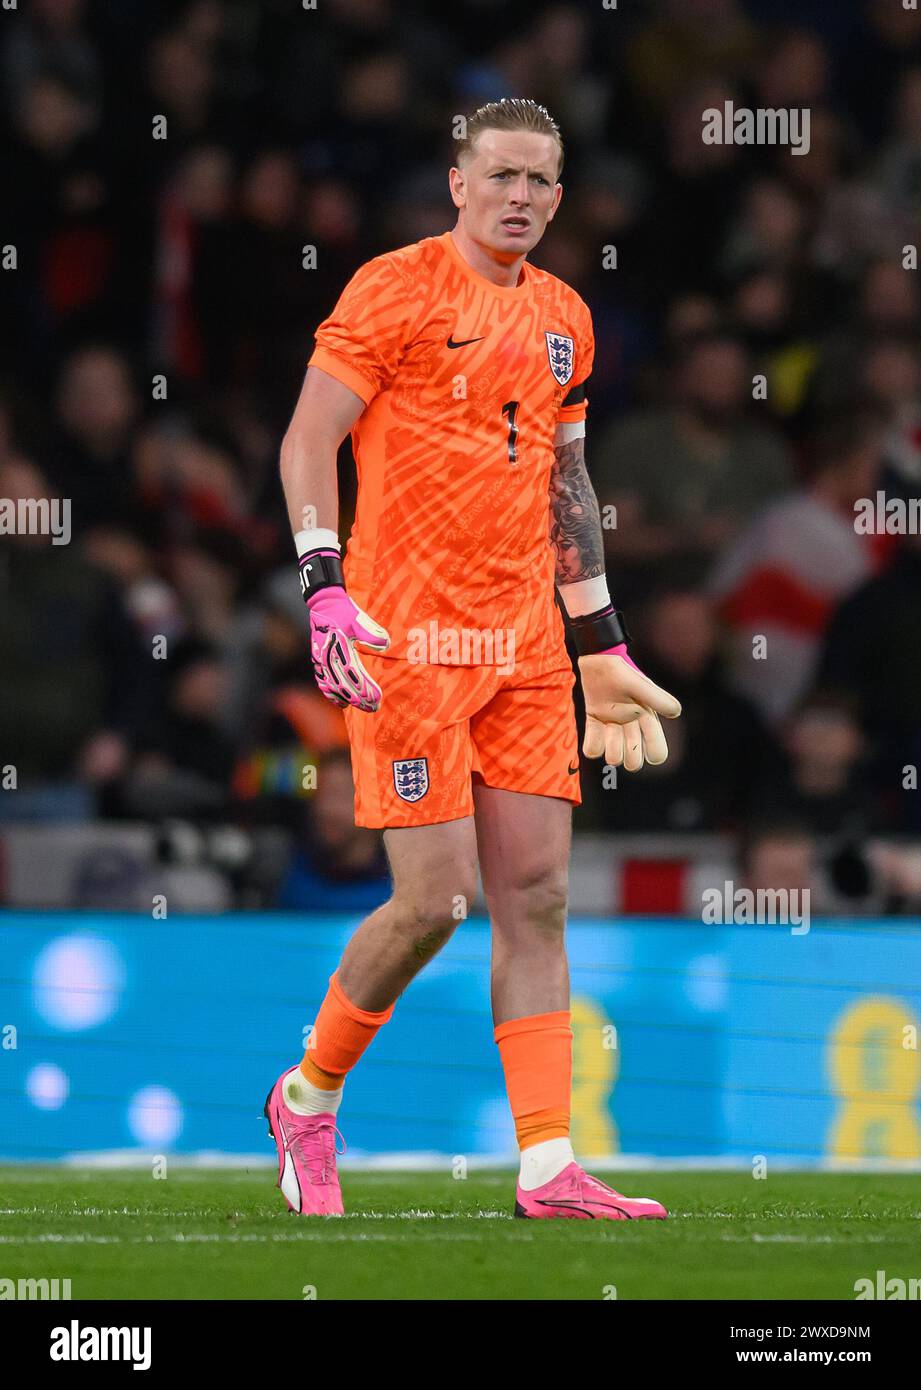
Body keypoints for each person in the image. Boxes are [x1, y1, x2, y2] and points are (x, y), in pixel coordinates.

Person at [265, 98, 682, 1220]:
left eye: (541, 181)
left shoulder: (567, 320)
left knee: (537, 896)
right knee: (435, 904)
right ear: (458, 183)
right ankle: (307, 1095)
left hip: (526, 647)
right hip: (404, 639)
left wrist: (599, 643)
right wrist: (323, 583)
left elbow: (568, 484)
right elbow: (309, 437)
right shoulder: (393, 288)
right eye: (501, 176)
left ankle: (548, 1164)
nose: (521, 198)